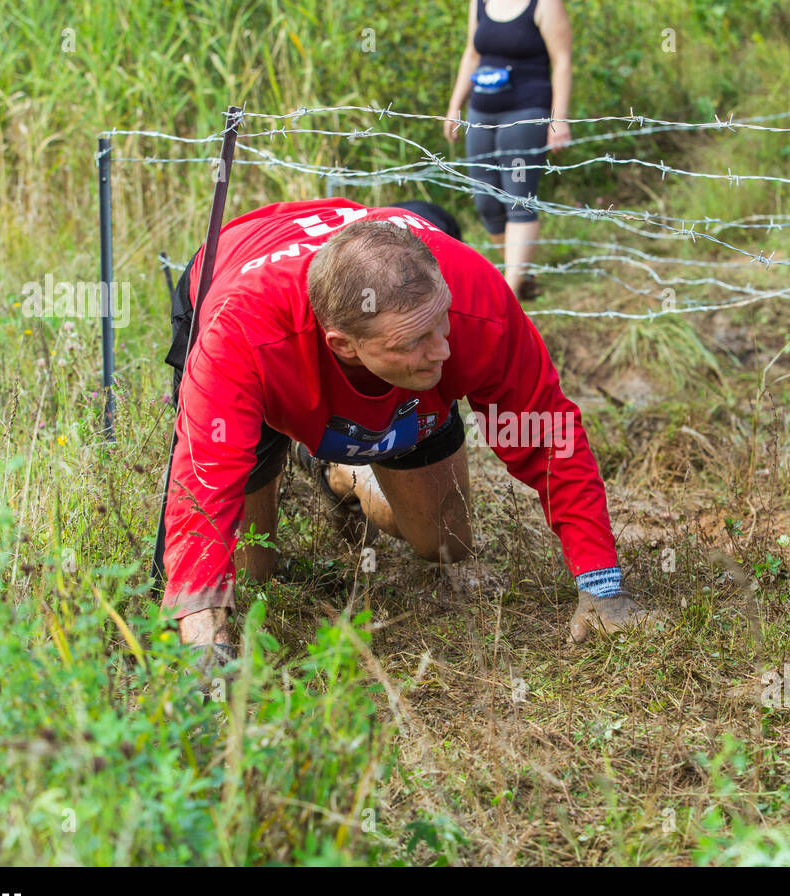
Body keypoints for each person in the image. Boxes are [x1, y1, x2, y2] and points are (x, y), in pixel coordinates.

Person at [159, 198, 652, 664]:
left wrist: (602, 588)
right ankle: (316, 448)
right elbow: (203, 489)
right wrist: (205, 653)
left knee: (445, 542)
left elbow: (547, 437)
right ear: (343, 345)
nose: (443, 351)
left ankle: (340, 468)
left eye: (441, 322)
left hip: (385, 366)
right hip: (256, 322)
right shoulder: (238, 336)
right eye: (415, 340)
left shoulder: (473, 299)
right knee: (252, 572)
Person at [444, 0, 572, 301]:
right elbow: (472, 53)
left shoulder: (545, 4)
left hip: (525, 112)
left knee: (518, 199)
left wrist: (559, 117)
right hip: (481, 112)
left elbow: (562, 60)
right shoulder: (480, 3)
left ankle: (508, 294)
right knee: (486, 202)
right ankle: (520, 272)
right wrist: (454, 106)